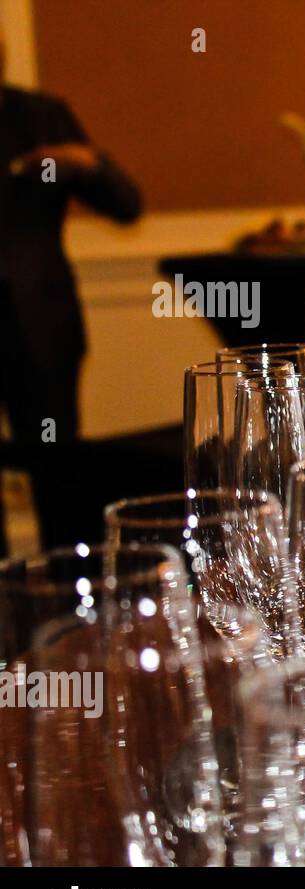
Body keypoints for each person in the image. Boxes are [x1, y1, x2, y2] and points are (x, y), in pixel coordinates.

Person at [0, 32, 141, 553]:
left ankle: (71, 602)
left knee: (56, 471)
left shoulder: (42, 115)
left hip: (39, 323)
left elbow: (127, 207)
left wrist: (85, 162)